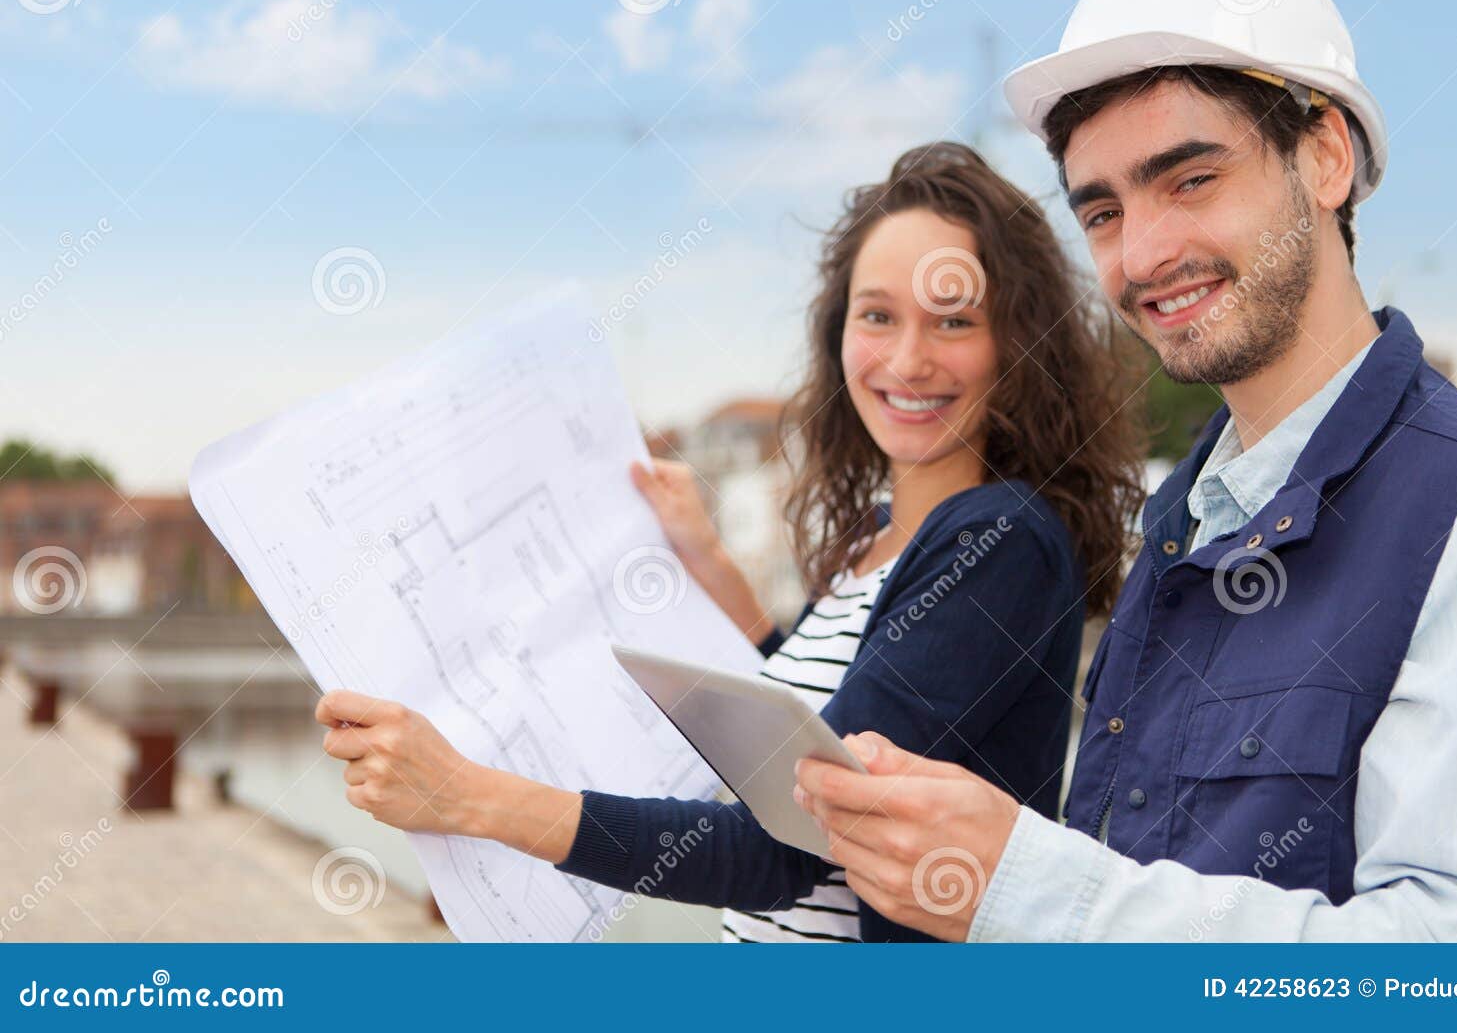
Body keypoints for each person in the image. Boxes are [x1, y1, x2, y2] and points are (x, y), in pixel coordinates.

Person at [795, 0, 1457, 942]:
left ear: (1325, 156)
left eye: (1189, 180)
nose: (1142, 254)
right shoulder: (1184, 520)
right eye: (1102, 211)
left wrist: (1028, 885)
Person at [314, 141, 1147, 942]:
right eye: (877, 315)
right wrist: (710, 564)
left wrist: (469, 796)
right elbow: (827, 726)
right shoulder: (879, 536)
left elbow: (784, 845)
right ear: (839, 332)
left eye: (953, 320)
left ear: (1016, 344)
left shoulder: (998, 541)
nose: (906, 358)